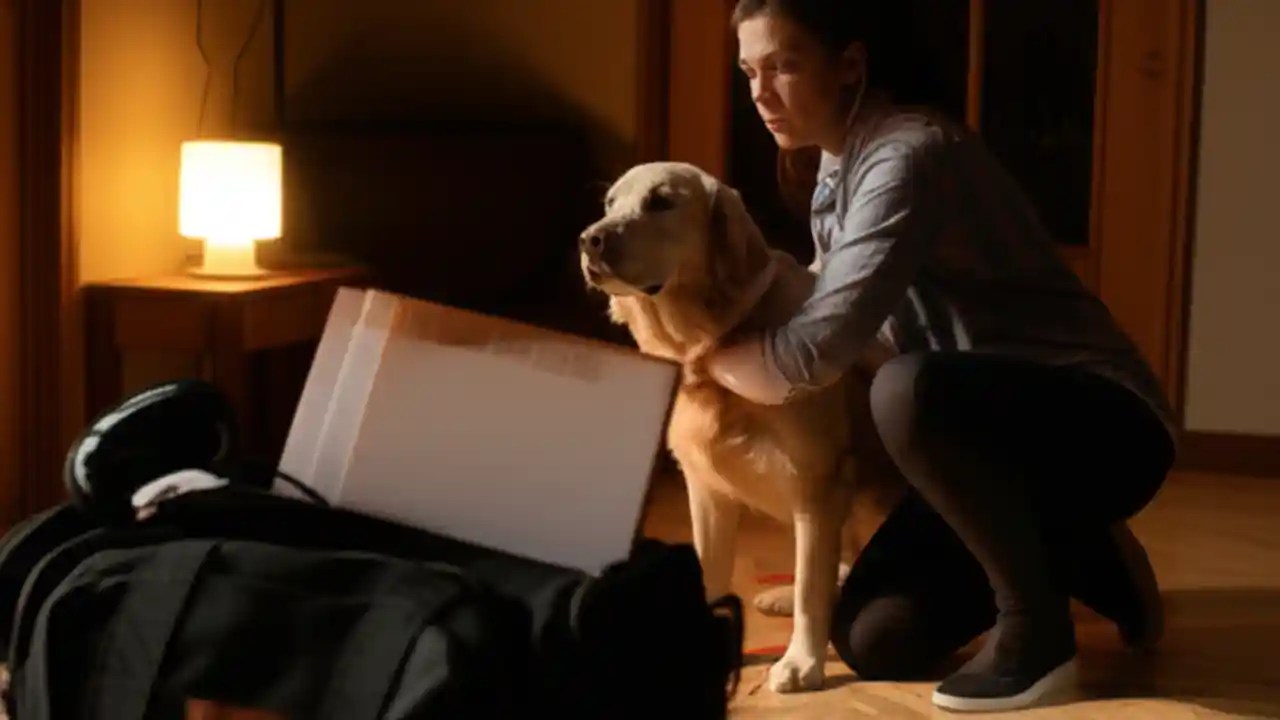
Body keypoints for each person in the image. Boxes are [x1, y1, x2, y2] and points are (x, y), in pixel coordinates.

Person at [704, 0, 1178, 712]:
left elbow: (814, 352)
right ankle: (1084, 551)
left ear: (850, 66)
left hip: (1104, 427)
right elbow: (835, 317)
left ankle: (1038, 635)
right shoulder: (831, 168)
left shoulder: (908, 155)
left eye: (784, 65)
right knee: (873, 638)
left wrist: (697, 356)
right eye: (748, 72)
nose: (760, 93)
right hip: (990, 448)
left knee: (906, 391)